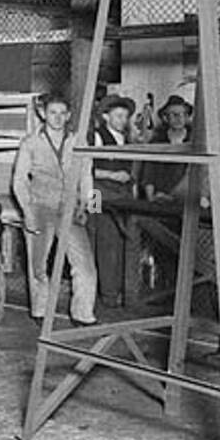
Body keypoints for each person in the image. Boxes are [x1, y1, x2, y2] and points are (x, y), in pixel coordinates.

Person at [11, 92, 99, 326]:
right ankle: (40, 311)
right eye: (52, 113)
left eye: (62, 113)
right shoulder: (31, 142)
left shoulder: (78, 141)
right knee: (38, 265)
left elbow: (87, 175)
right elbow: (19, 181)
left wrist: (90, 207)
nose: (58, 118)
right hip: (40, 207)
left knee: (85, 265)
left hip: (69, 209)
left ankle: (83, 314)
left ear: (69, 115)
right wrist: (27, 213)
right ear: (43, 113)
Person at [89, 94, 137, 313]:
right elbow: (87, 168)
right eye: (118, 115)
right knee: (103, 240)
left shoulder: (127, 140)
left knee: (121, 242)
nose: (122, 120)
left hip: (122, 194)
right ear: (106, 116)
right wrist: (111, 174)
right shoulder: (98, 137)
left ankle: (119, 292)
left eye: (125, 116)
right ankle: (106, 295)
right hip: (99, 194)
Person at [143, 94, 193, 201]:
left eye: (183, 114)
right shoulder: (157, 142)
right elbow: (149, 173)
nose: (179, 118)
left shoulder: (195, 140)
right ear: (165, 118)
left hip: (188, 197)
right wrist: (151, 198)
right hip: (161, 197)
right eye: (174, 115)